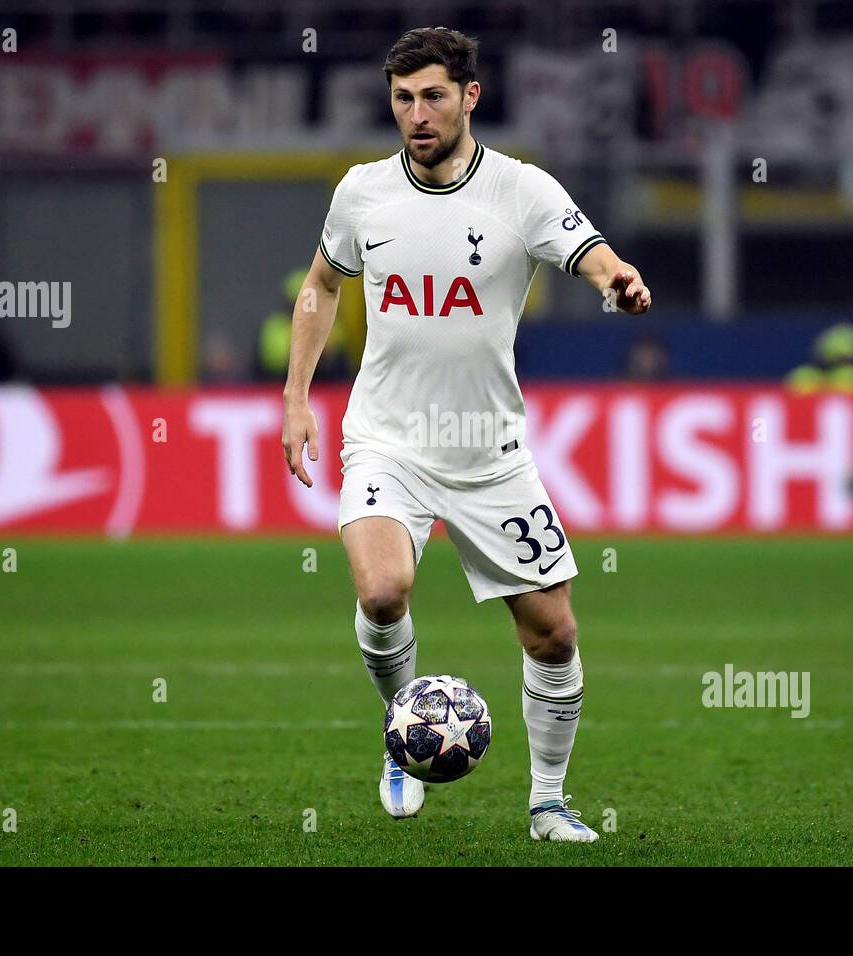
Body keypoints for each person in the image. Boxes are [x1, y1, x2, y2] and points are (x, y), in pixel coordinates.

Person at [280, 27, 651, 842]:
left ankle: (548, 804)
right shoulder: (362, 193)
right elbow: (319, 286)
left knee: (553, 633)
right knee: (382, 591)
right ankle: (400, 734)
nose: (417, 113)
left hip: (489, 452)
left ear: (470, 96)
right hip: (388, 441)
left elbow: (587, 251)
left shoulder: (520, 190)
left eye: (434, 96)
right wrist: (297, 397)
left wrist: (616, 280)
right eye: (403, 98)